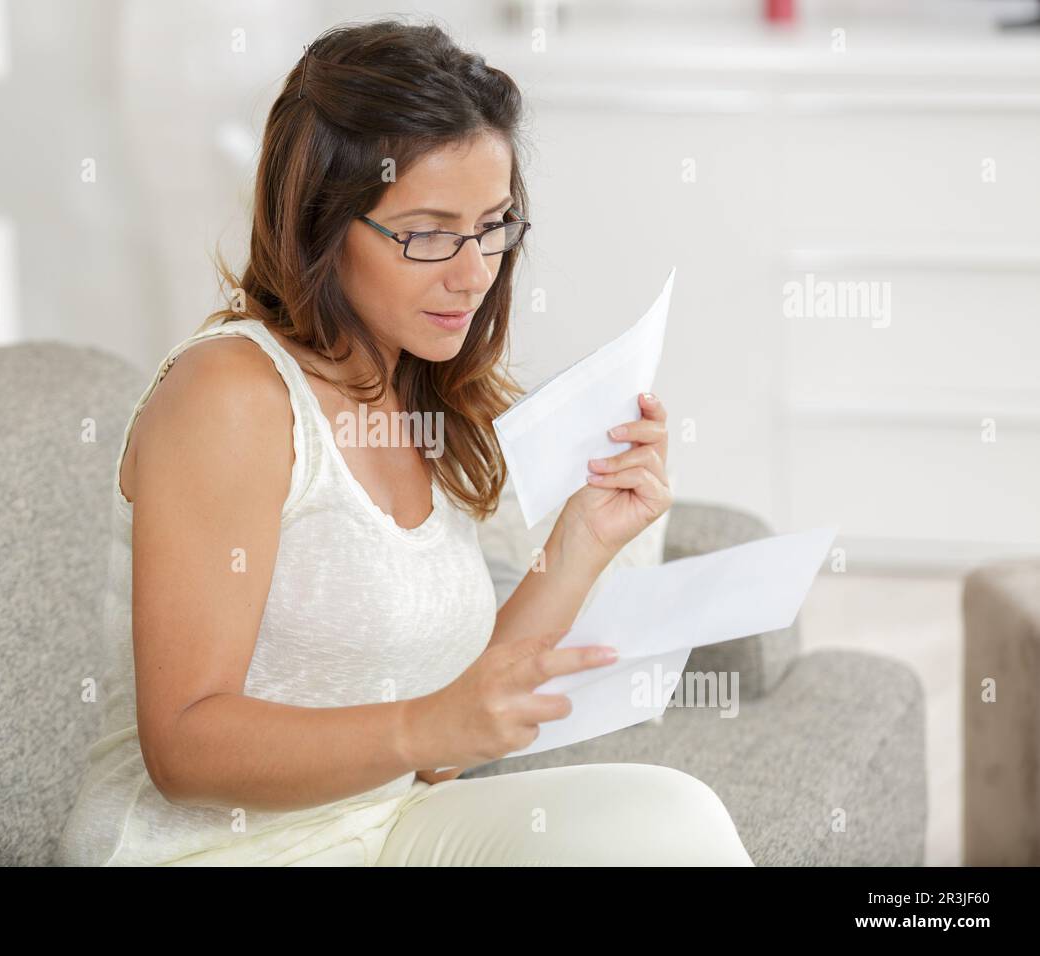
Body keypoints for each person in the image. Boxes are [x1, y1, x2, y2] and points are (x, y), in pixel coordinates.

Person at [53, 17, 754, 867]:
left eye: (494, 225)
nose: (473, 272)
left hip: (383, 829)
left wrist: (580, 543)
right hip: (211, 854)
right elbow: (184, 747)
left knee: (669, 818)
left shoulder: (420, 387)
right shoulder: (231, 397)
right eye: (427, 234)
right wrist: (427, 724)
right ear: (320, 222)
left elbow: (444, 745)